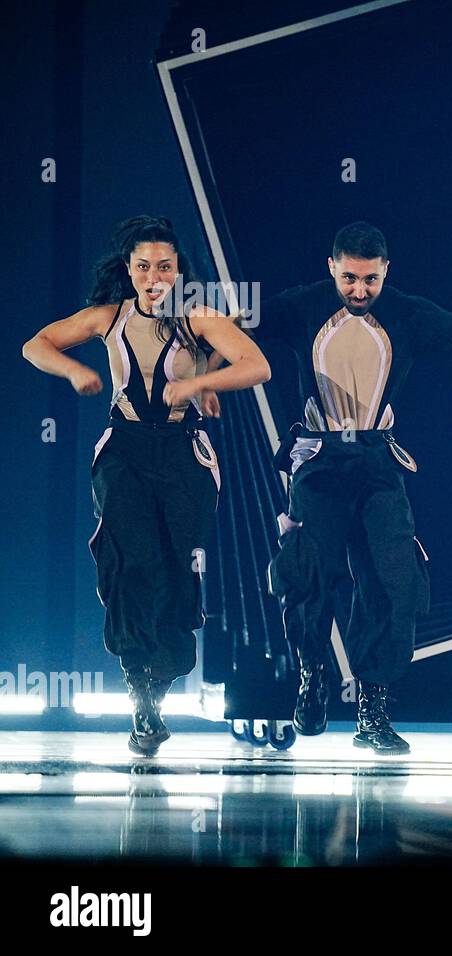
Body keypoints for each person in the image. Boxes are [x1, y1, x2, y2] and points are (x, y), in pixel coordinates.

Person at [255, 221, 452, 755]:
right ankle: (312, 673)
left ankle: (372, 710)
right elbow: (228, 330)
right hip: (320, 460)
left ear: (386, 271)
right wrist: (206, 381)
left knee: (396, 581)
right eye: (349, 278)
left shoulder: (406, 311)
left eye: (370, 280)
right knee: (307, 574)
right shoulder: (302, 306)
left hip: (377, 461)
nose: (359, 290)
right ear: (331, 266)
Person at [22, 215, 271, 754]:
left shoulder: (198, 318)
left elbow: (257, 365)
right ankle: (139, 688)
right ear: (129, 270)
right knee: (129, 559)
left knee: (179, 565)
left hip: (184, 453)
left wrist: (200, 381)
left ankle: (159, 684)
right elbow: (35, 345)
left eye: (164, 266)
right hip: (126, 451)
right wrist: (74, 372)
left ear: (179, 270)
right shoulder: (108, 316)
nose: (154, 277)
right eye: (143, 267)